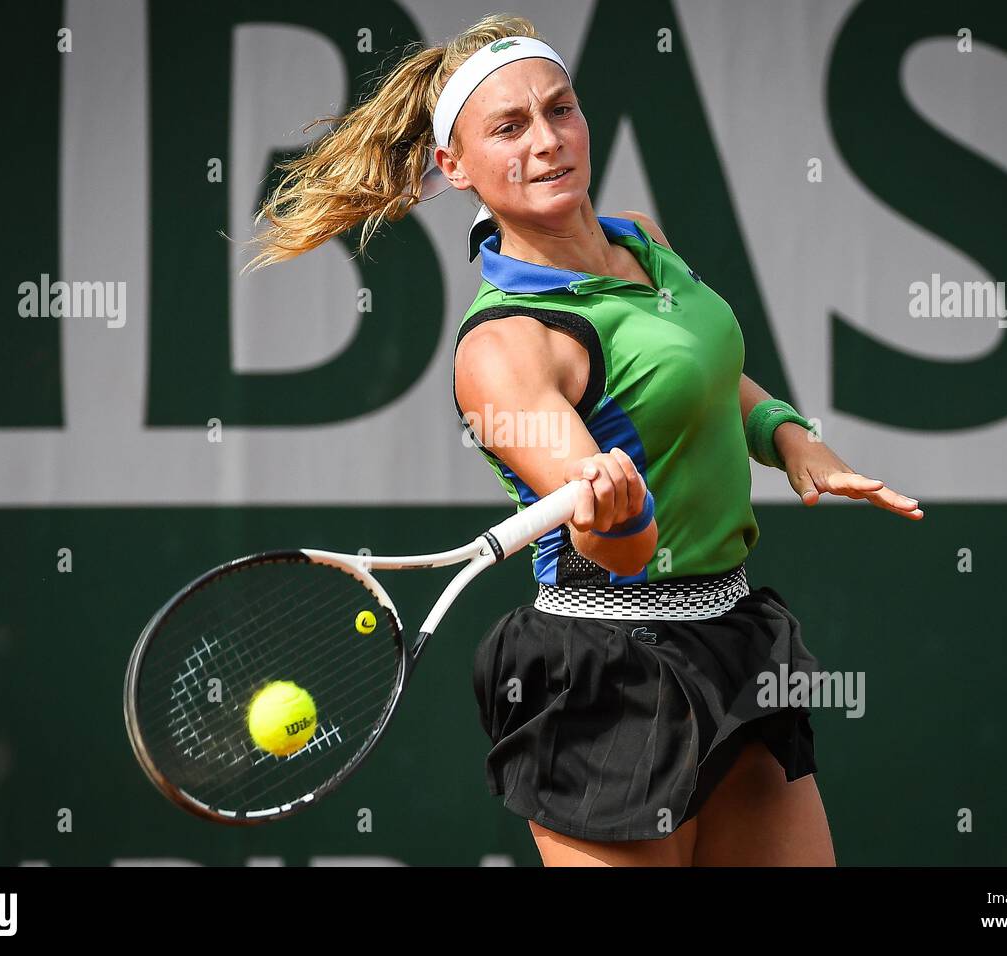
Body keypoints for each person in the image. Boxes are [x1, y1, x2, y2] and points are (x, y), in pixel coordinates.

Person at [246, 14, 922, 867]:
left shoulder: (641, 238)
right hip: (608, 674)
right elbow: (619, 550)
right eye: (509, 126)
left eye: (559, 109)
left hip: (736, 636)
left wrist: (789, 438)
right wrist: (616, 513)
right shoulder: (503, 350)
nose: (547, 140)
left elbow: (707, 376)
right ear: (454, 167)